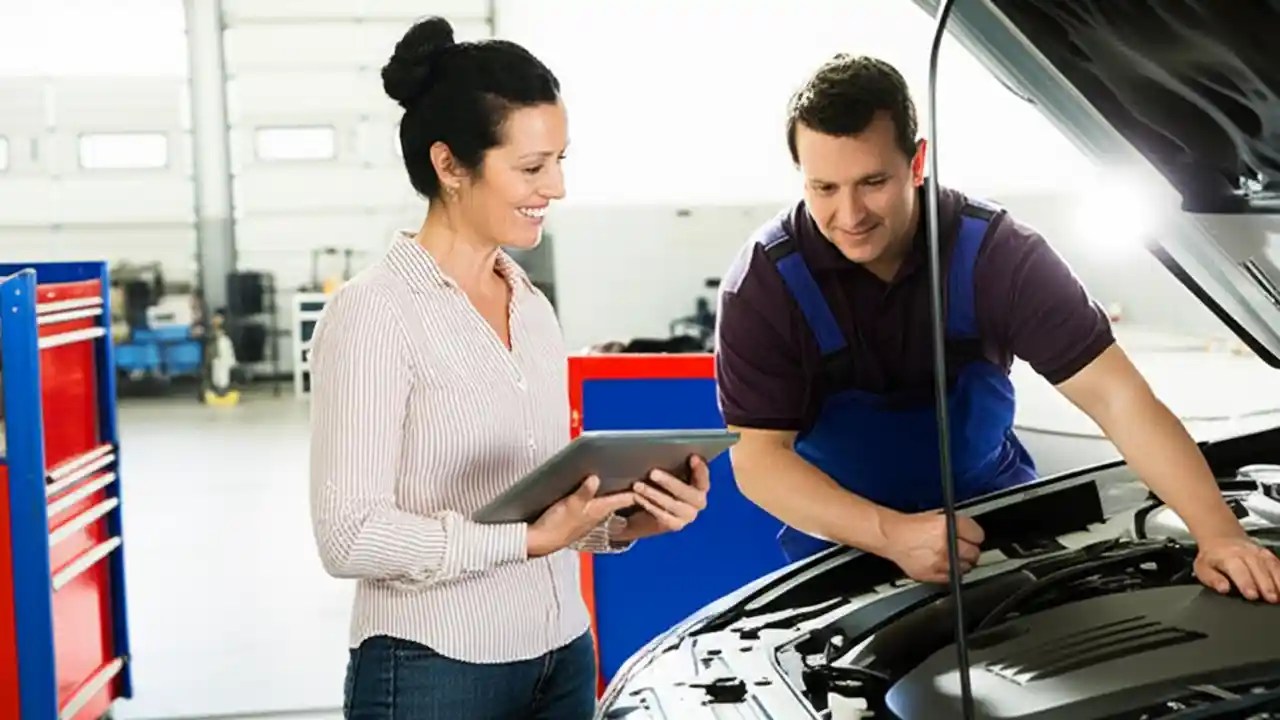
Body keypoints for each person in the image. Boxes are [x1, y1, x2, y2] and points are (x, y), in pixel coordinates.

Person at [714, 54, 1280, 602]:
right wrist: (892, 534)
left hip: (997, 520)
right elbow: (760, 461)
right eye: (824, 188)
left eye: (873, 181)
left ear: (917, 162)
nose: (851, 214)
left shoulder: (997, 254)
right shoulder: (766, 283)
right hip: (839, 545)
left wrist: (1219, 534)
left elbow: (1116, 396)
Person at [307, 17, 712, 719]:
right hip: (435, 667)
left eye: (559, 159)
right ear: (450, 166)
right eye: (531, 166)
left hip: (561, 651)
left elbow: (538, 505)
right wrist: (527, 541)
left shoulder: (532, 308)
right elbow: (347, 534)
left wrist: (626, 521)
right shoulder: (374, 313)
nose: (554, 186)